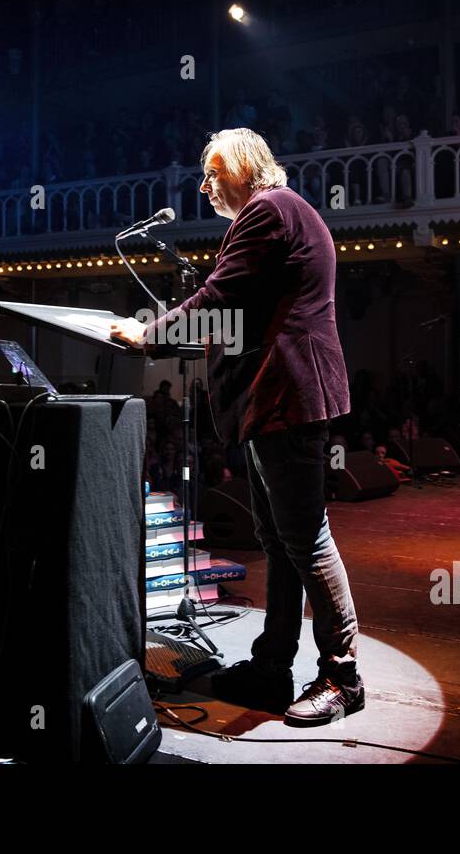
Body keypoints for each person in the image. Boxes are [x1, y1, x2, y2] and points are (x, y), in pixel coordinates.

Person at [111, 127, 362, 726]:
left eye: (214, 171)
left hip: (287, 397)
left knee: (305, 538)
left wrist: (148, 335)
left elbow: (217, 299)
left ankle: (343, 676)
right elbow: (240, 316)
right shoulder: (280, 213)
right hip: (271, 400)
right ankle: (273, 666)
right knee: (279, 542)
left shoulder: (268, 211)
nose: (204, 185)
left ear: (247, 167)